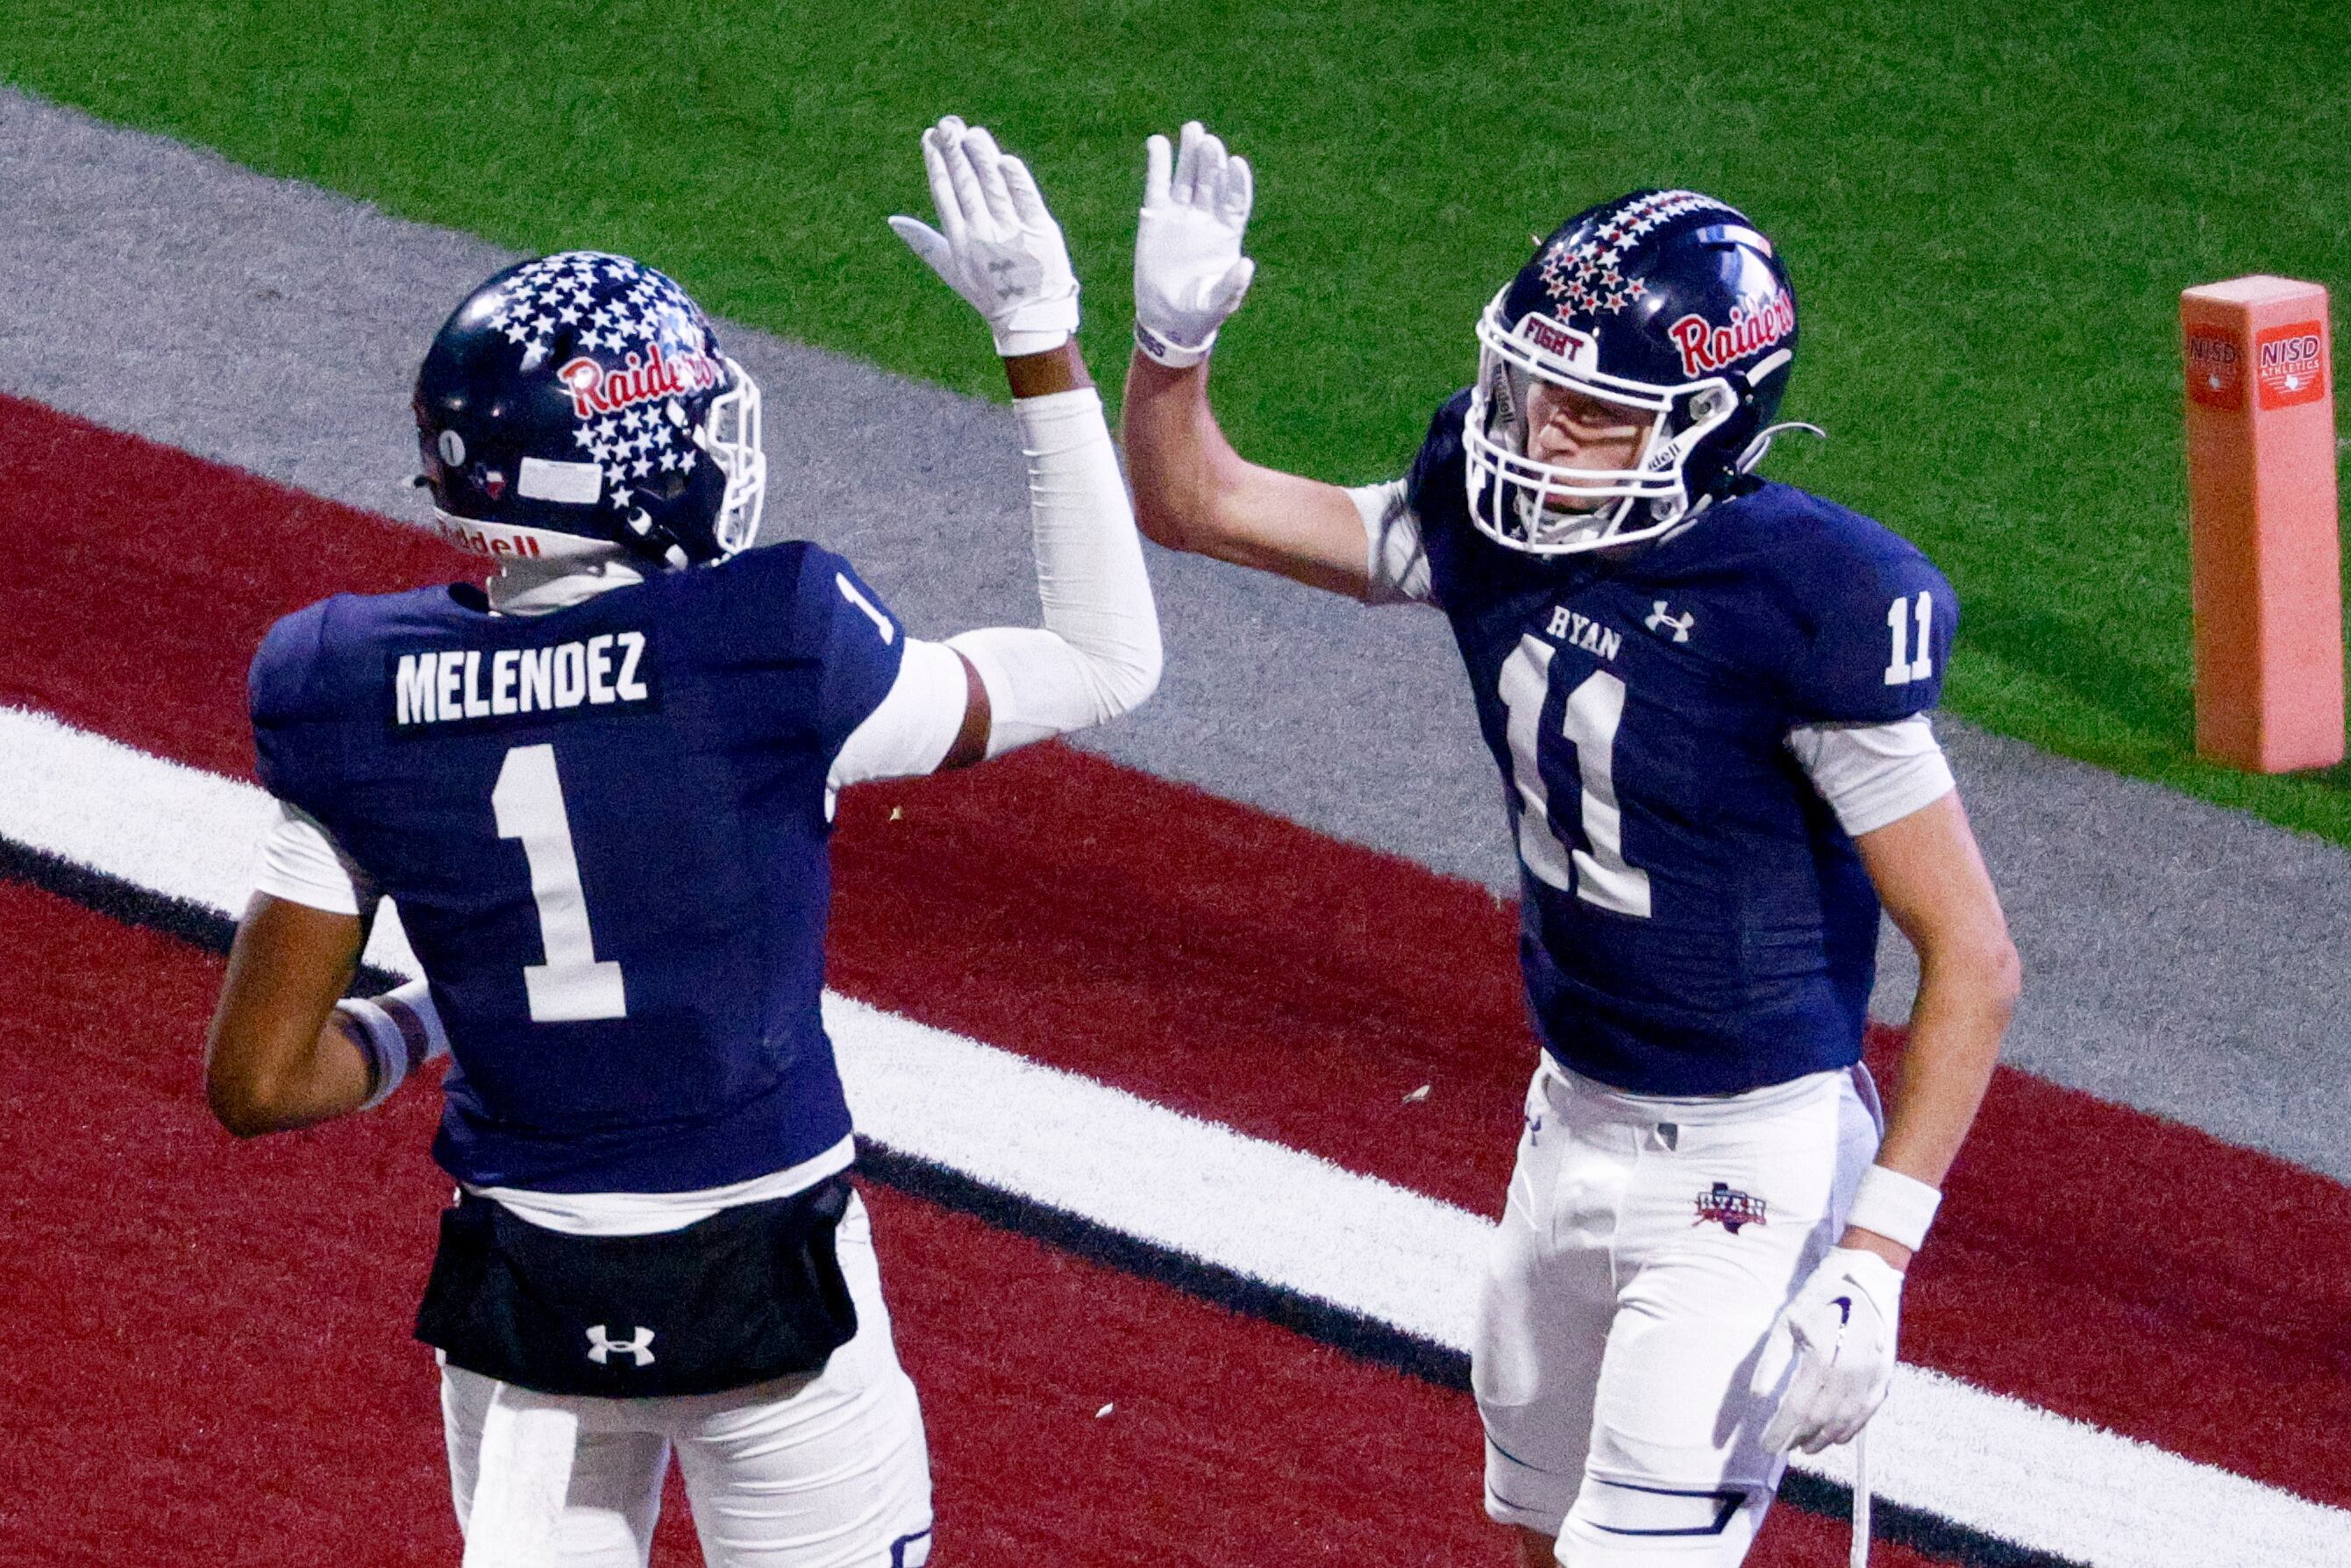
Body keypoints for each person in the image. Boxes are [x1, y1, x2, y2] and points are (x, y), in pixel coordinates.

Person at [203, 116, 1156, 1568]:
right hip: (764, 1274)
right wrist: (1038, 340)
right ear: (635, 461)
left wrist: (441, 1012)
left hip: (524, 1298)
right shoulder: (763, 639)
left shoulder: (336, 680)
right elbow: (1101, 658)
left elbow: (261, 1081)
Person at [1119, 124, 2021, 1566]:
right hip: (1571, 1119)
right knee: (1534, 1533)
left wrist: (1876, 1251)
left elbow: (1971, 958)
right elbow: (1196, 503)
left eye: (1592, 413)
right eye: (1535, 389)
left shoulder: (1812, 599)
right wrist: (1171, 349)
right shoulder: (1495, 522)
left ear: (1711, 423)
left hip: (1755, 1153)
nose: (1539, 438)